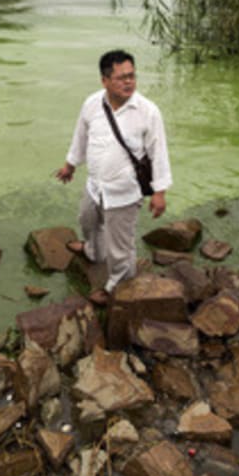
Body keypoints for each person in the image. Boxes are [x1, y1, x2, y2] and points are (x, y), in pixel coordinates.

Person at [55, 49, 171, 305]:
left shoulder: (147, 111)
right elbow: (81, 137)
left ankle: (117, 284)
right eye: (121, 78)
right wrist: (70, 165)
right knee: (86, 219)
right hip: (95, 185)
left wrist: (160, 193)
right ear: (104, 80)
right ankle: (93, 251)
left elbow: (159, 152)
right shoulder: (92, 104)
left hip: (124, 192)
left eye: (131, 76)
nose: (129, 82)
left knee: (120, 247)